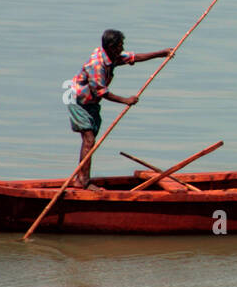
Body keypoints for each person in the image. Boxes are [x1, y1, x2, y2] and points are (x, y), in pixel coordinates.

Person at [67, 29, 174, 188]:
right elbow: (100, 91)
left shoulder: (111, 56)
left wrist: (161, 53)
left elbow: (133, 57)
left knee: (89, 140)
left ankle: (81, 178)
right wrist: (126, 100)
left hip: (92, 103)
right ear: (111, 47)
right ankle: (82, 181)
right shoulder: (97, 65)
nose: (122, 48)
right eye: (120, 45)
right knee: (89, 140)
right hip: (79, 102)